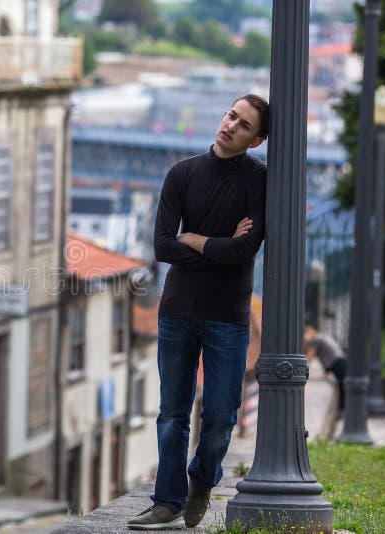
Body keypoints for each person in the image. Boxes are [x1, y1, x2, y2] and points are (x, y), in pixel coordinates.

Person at [127, 94, 269, 530]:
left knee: (221, 419)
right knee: (172, 413)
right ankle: (167, 501)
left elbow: (245, 249)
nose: (230, 126)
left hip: (227, 313)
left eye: (243, 125)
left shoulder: (260, 181)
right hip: (178, 310)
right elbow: (162, 247)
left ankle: (202, 484)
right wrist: (218, 245)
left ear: (257, 139)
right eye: (230, 115)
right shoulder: (182, 173)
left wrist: (193, 239)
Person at [304, 325, 347, 438]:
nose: (304, 338)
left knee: (343, 387)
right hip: (340, 361)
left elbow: (309, 357)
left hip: (338, 363)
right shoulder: (321, 337)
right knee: (343, 386)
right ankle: (343, 410)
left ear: (310, 333)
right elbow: (324, 357)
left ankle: (343, 410)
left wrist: (301, 370)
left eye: (305, 334)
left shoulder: (315, 340)